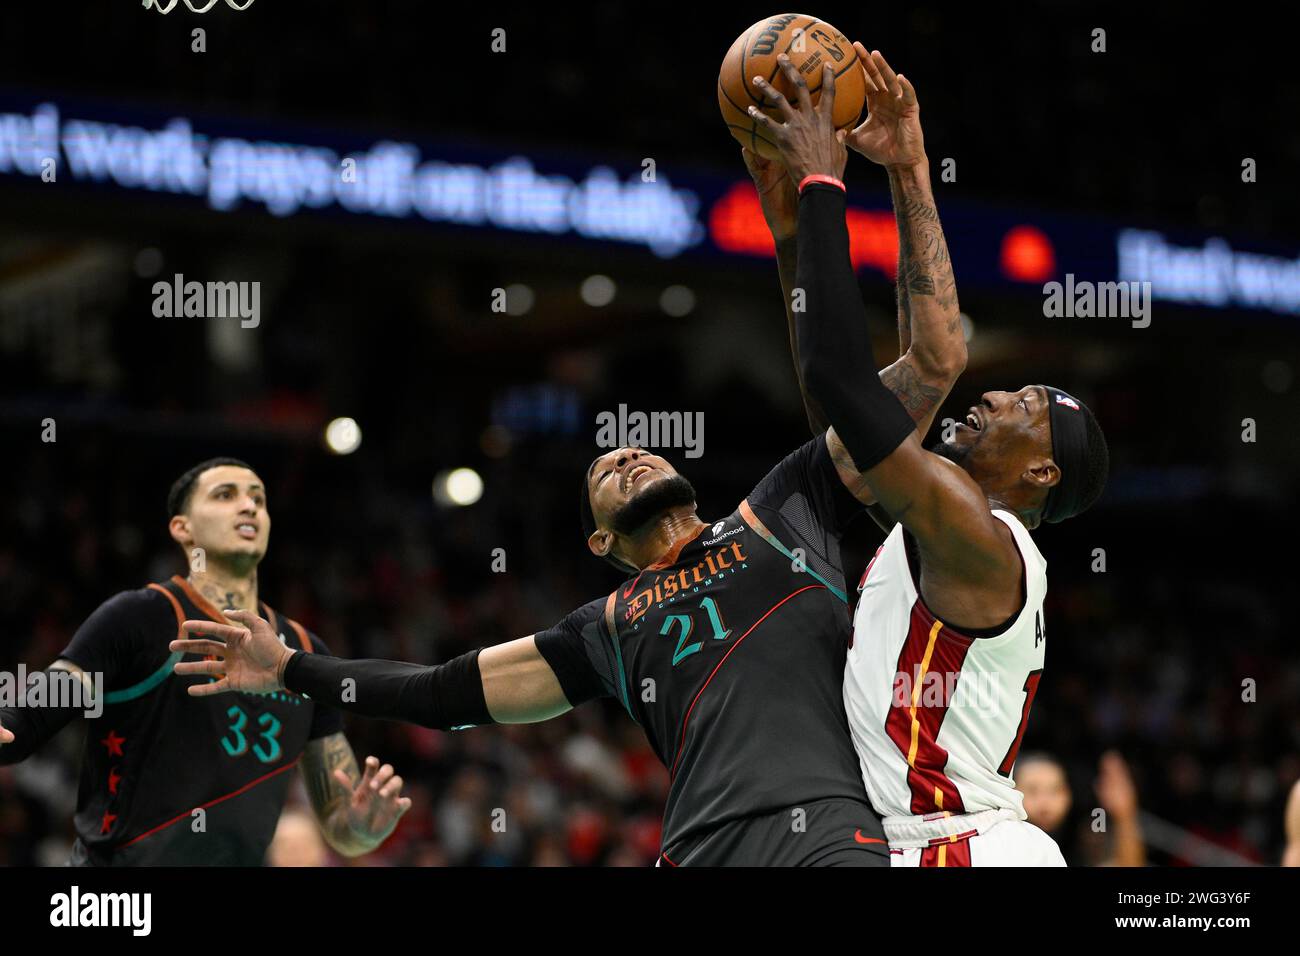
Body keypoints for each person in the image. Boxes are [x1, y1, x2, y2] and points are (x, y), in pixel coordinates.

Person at [166, 49, 970, 867]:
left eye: (634, 449)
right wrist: (292, 667)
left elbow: (932, 362)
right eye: (600, 472)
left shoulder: (784, 507)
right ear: (603, 547)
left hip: (832, 842)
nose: (622, 453)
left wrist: (901, 170)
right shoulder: (609, 629)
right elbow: (442, 691)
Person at [748, 50, 1108, 866]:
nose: (993, 398)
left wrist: (822, 189)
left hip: (966, 850)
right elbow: (842, 429)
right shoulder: (942, 524)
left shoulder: (978, 535)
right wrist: (906, 164)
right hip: (937, 846)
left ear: (1042, 473)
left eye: (1022, 408)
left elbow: (840, 380)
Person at [0, 458, 409, 864]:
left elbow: (344, 830)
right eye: (225, 495)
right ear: (182, 527)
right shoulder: (139, 616)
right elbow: (29, 720)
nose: (249, 507)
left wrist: (362, 827)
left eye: (258, 499)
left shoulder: (305, 651)